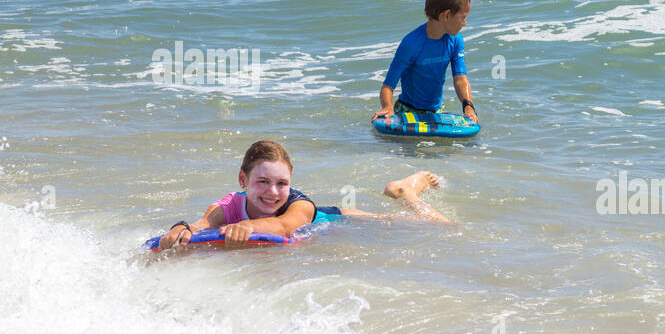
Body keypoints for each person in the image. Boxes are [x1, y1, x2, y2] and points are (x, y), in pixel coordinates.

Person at [154, 140, 450, 250]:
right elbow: (201, 225)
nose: (273, 192)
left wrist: (248, 226)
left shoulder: (301, 205)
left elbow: (284, 226)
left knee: (439, 227)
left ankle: (405, 190)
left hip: (337, 222)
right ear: (243, 179)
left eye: (282, 183)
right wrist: (179, 229)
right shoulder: (228, 206)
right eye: (262, 182)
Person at [372, 0, 478, 125]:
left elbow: (460, 78)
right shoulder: (411, 43)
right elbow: (388, 86)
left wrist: (468, 106)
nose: (465, 23)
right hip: (406, 111)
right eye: (463, 17)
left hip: (436, 112)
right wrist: (388, 107)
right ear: (446, 15)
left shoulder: (455, 40)